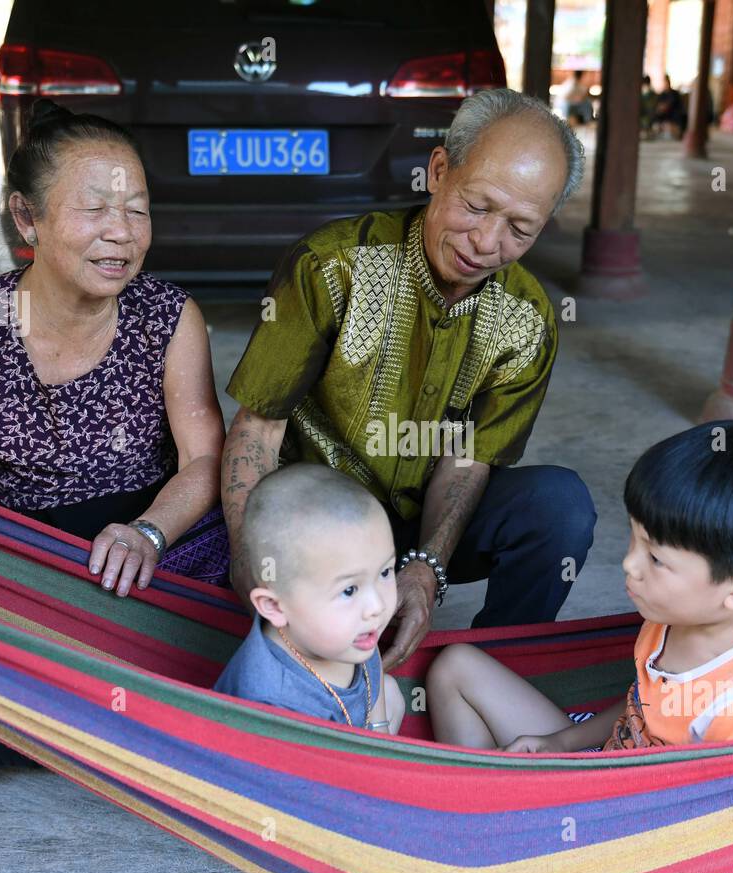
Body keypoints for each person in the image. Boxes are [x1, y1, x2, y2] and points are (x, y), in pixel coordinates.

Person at [0, 99, 231, 813]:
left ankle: (78, 706)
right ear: (28, 220)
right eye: (95, 209)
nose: (122, 233)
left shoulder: (169, 318)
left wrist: (149, 532)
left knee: (245, 545)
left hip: (143, 547)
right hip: (17, 556)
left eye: (138, 210)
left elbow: (205, 462)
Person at [221, 88, 597, 674]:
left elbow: (471, 459)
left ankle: (493, 672)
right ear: (440, 170)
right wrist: (252, 564)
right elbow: (258, 428)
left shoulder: (528, 320)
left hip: (424, 517)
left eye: (521, 228)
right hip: (324, 524)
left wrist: (426, 568)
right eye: (477, 206)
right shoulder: (333, 266)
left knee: (559, 507)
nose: (487, 242)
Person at [426, 420, 733, 752]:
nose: (629, 564)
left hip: (625, 813)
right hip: (604, 755)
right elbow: (646, 701)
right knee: (453, 664)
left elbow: (702, 821)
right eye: (635, 539)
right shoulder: (681, 609)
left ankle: (485, 812)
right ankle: (481, 793)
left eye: (655, 558)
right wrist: (561, 742)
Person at [215, 465, 404, 733]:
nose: (377, 607)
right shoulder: (271, 703)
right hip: (296, 764)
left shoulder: (354, 632)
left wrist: (380, 735)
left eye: (385, 572)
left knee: (390, 689)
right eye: (349, 590)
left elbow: (376, 694)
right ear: (274, 606)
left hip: (355, 736)